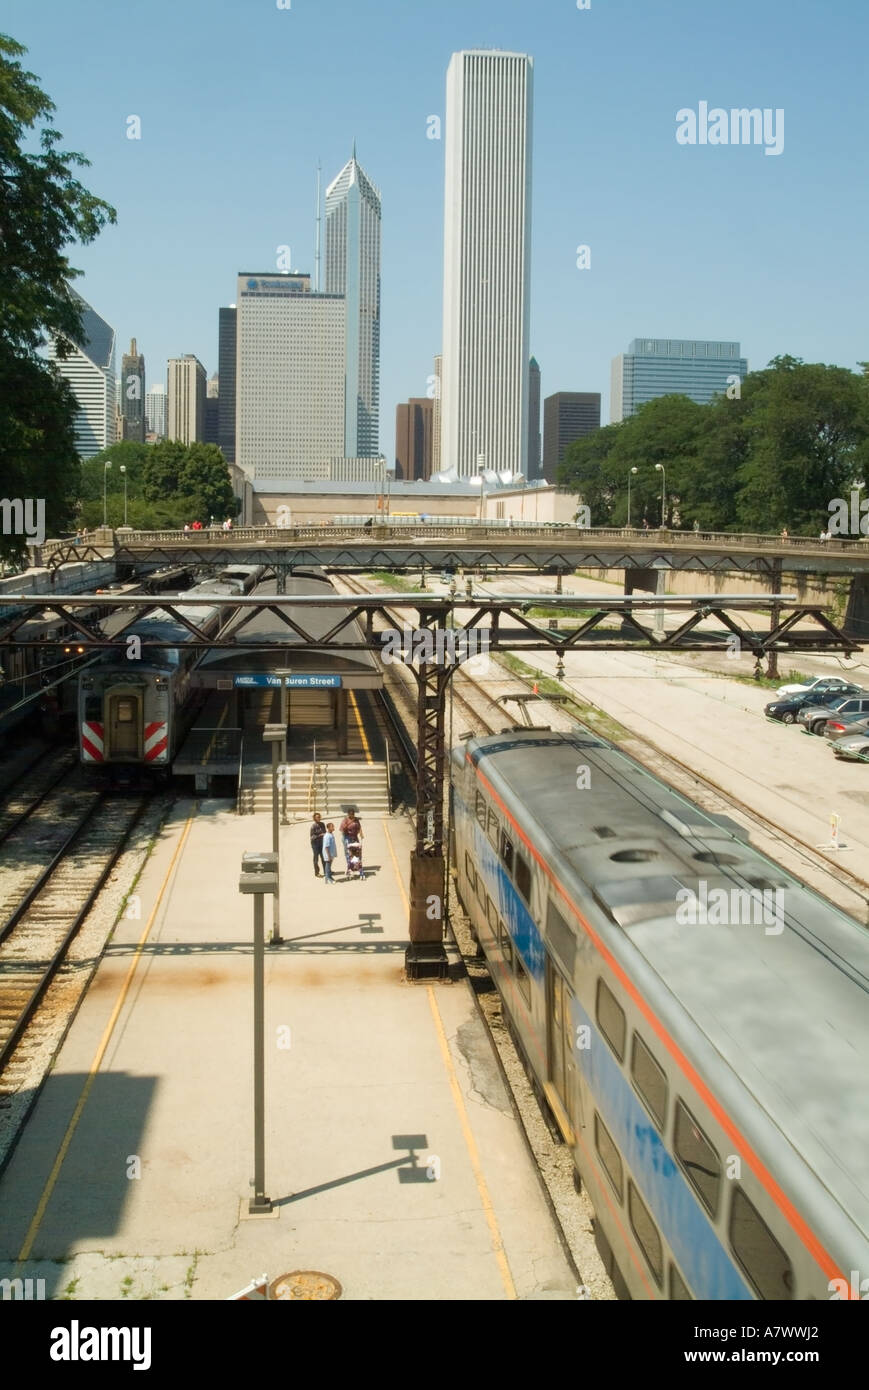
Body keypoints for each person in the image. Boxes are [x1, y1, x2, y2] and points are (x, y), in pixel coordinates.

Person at [310, 812, 326, 878]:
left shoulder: (322, 824)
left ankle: (326, 871)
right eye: (317, 817)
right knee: (316, 858)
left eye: (319, 817)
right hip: (315, 844)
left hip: (321, 843)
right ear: (314, 818)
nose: (318, 818)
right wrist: (320, 835)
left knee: (324, 857)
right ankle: (317, 873)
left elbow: (324, 832)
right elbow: (312, 837)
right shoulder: (313, 826)